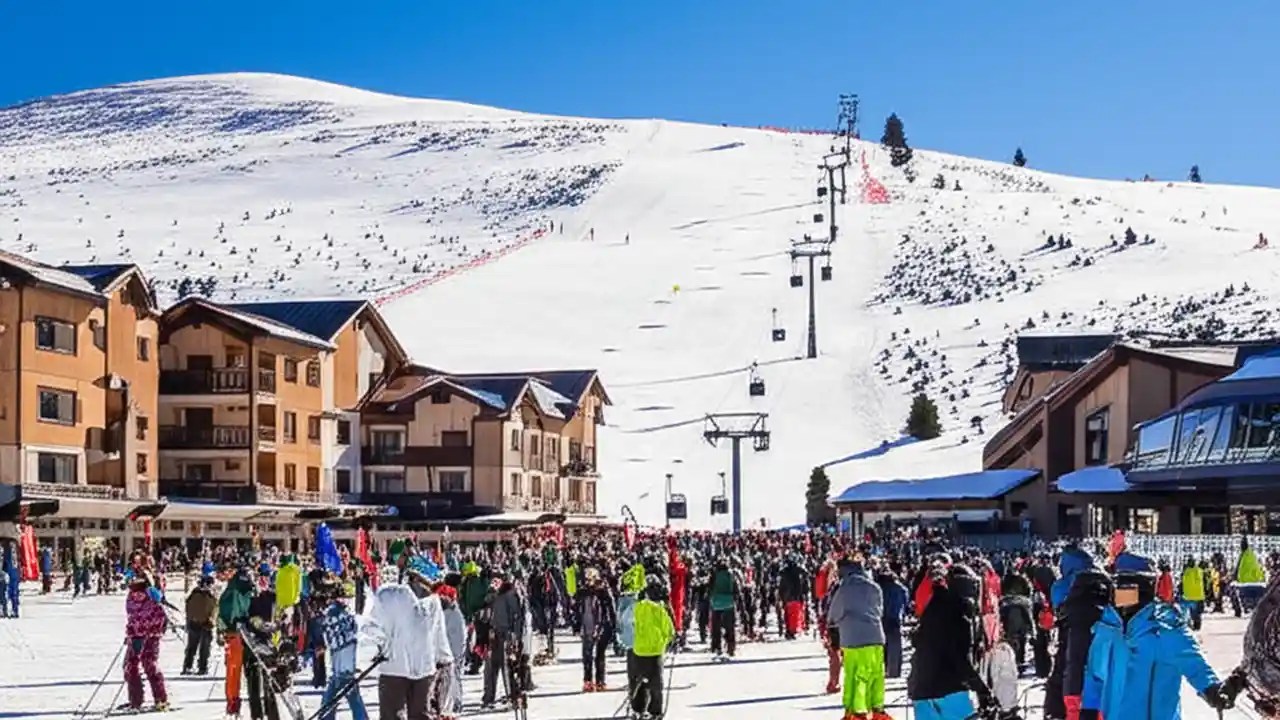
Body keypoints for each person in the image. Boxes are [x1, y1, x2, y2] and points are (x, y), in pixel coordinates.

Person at [1086, 552, 1229, 720]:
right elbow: (1094, 674)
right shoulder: (1108, 626)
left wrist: (1212, 689)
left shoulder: (1165, 627)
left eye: (1126, 586)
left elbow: (1194, 663)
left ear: (1144, 588)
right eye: (1118, 584)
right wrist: (1088, 710)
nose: (1121, 593)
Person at [363, 565, 452, 720]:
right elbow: (439, 636)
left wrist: (384, 646)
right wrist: (444, 659)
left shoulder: (389, 597)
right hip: (419, 669)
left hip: (399, 668)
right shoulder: (429, 603)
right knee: (417, 715)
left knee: (398, 715)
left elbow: (371, 628)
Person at [908, 564, 993, 720]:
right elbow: (959, 659)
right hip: (950, 690)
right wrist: (980, 688)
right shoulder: (960, 618)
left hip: (921, 689)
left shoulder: (932, 609)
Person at [827, 557, 888, 720]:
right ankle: (878, 709)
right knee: (876, 673)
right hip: (876, 636)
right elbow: (879, 611)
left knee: (856, 674)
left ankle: (857, 712)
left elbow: (834, 614)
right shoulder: (874, 587)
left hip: (853, 639)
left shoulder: (844, 589)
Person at [317, 576, 369, 720]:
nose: (349, 599)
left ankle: (326, 717)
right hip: (343, 663)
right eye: (346, 596)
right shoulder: (334, 614)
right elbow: (334, 640)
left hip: (344, 663)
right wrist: (351, 632)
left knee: (336, 691)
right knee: (349, 693)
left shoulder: (341, 612)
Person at [629, 575, 675, 720]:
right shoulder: (659, 609)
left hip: (639, 650)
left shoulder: (636, 608)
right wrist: (666, 642)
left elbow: (629, 626)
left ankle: (638, 708)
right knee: (656, 683)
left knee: (638, 681)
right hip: (655, 651)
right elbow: (669, 630)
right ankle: (656, 711)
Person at [123, 573, 170, 711]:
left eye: (140, 593)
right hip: (136, 636)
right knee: (131, 666)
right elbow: (132, 618)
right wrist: (131, 630)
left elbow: (160, 617)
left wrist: (153, 629)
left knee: (149, 664)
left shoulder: (152, 601)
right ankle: (135, 699)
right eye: (134, 593)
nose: (137, 596)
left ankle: (160, 698)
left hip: (150, 637)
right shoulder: (130, 601)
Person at [480, 571, 524, 709]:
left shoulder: (510, 594)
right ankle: (489, 697)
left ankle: (512, 696)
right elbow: (486, 605)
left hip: (507, 634)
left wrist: (515, 635)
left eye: (496, 580)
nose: (494, 583)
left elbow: (517, 616)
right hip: (495, 634)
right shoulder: (495, 595)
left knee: (507, 667)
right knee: (490, 668)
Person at [218, 567, 256, 718]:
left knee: (237, 672)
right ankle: (234, 702)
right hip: (238, 635)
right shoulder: (236, 593)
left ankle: (234, 701)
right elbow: (226, 614)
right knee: (236, 671)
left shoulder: (233, 591)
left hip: (240, 635)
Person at [578, 567, 617, 692]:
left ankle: (600, 681)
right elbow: (576, 608)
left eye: (590, 578)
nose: (587, 580)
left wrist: (613, 624)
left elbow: (611, 608)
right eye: (586, 578)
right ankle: (588, 681)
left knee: (599, 654)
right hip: (586, 626)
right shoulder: (582, 592)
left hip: (602, 626)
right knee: (587, 655)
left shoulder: (603, 591)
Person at [183, 575, 218, 675]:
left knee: (195, 647)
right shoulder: (207, 596)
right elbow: (214, 609)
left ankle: (192, 666)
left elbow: (188, 608)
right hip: (203, 624)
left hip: (198, 623)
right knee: (201, 648)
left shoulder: (194, 594)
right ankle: (199, 667)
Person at [708, 557, 739, 659]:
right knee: (730, 627)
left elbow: (710, 588)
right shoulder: (731, 575)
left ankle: (717, 647)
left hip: (716, 603)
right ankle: (731, 647)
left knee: (716, 627)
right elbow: (736, 588)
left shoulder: (714, 574)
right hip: (729, 603)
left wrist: (711, 599)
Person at [1180, 556, 1206, 631]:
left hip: (1187, 596)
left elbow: (1182, 582)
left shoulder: (1186, 571)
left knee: (1188, 612)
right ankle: (1196, 626)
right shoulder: (1199, 571)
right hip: (1197, 596)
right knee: (1196, 613)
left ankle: (1188, 625)